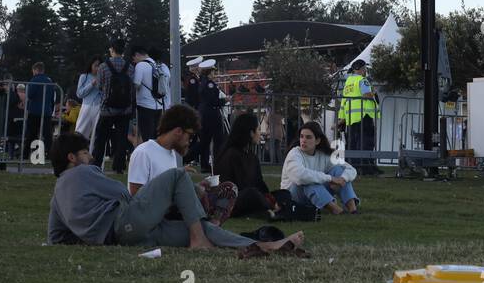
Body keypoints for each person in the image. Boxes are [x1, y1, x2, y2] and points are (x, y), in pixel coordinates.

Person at [46, 131, 305, 255]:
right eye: (84, 153)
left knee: (198, 227)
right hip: (125, 223)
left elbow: (56, 236)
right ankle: (197, 228)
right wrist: (152, 208)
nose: (90, 157)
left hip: (122, 239)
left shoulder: (57, 194)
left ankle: (261, 246)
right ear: (72, 157)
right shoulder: (84, 172)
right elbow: (123, 193)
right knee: (178, 175)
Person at [282, 121, 358, 215]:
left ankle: (353, 209)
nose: (303, 140)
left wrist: (342, 179)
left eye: (308, 137)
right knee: (308, 180)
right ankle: (337, 210)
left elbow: (351, 169)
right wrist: (331, 178)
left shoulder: (324, 154)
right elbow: (300, 177)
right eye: (301, 136)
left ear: (317, 141)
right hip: (293, 197)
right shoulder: (294, 153)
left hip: (314, 193)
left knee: (338, 170)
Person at [217, 112, 280, 220]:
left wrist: (271, 198)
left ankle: (267, 209)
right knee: (252, 194)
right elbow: (237, 188)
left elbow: (259, 183)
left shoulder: (251, 156)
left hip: (252, 196)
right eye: (259, 130)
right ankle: (268, 209)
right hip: (231, 201)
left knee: (283, 194)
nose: (260, 133)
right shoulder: (231, 155)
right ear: (251, 133)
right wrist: (266, 201)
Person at [93, 41, 134, 173]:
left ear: (112, 49)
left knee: (101, 138)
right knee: (122, 138)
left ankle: (96, 164)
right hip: (125, 109)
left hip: (107, 108)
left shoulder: (104, 66)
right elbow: (132, 87)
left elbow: (99, 86)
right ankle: (119, 166)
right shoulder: (130, 67)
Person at [338, 59, 380, 176]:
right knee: (366, 142)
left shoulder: (348, 82)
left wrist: (342, 119)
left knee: (353, 142)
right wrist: (374, 92)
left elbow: (343, 102)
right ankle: (365, 167)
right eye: (365, 69)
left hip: (351, 117)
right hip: (364, 115)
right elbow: (366, 95)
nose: (365, 71)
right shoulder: (362, 80)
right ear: (362, 69)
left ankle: (353, 166)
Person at [21, 62, 59, 157]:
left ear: (36, 70)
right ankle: (51, 154)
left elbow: (30, 95)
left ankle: (26, 154)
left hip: (34, 111)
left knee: (31, 134)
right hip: (46, 111)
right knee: (47, 135)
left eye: (33, 71)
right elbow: (52, 99)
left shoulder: (34, 80)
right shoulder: (50, 82)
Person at [131, 46, 167, 143]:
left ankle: (148, 157)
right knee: (156, 137)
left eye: (133, 58)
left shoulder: (140, 65)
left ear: (137, 54)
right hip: (158, 105)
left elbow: (137, 84)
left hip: (145, 106)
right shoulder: (156, 64)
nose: (134, 61)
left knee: (147, 138)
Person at [196, 58, 227, 172]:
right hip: (212, 114)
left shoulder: (203, 82)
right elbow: (212, 100)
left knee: (205, 140)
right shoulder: (209, 84)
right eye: (213, 71)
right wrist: (224, 101)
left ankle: (205, 164)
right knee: (217, 139)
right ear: (209, 72)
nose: (215, 74)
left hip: (205, 114)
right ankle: (217, 163)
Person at [74, 58, 103, 145]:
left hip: (99, 107)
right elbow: (79, 94)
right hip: (86, 106)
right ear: (91, 65)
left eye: (99, 66)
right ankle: (77, 150)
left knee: (97, 133)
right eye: (95, 65)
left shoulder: (103, 77)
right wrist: (91, 84)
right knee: (80, 130)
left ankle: (93, 154)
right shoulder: (84, 76)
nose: (97, 68)